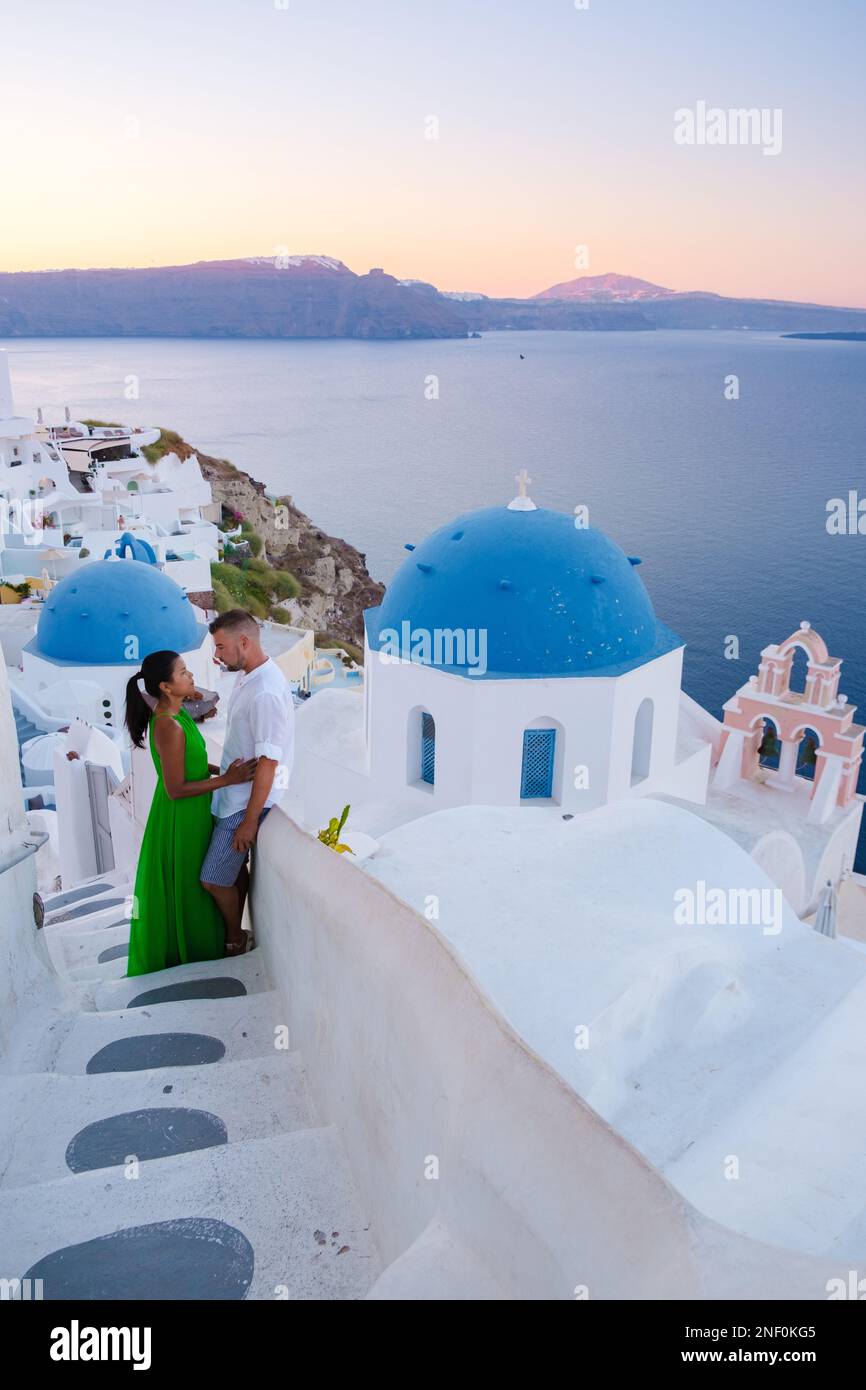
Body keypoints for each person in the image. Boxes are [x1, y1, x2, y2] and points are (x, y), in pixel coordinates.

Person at [124, 650, 257, 977]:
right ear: (166, 687)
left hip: (194, 813)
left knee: (218, 875)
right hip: (179, 818)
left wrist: (222, 770)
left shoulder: (178, 713)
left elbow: (192, 765)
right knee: (192, 884)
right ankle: (212, 945)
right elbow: (176, 788)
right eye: (183, 673)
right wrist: (226, 780)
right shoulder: (167, 725)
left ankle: (225, 938)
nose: (191, 676)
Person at [201, 610, 295, 954]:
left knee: (212, 879)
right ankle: (238, 929)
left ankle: (235, 936)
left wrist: (251, 821)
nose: (217, 655)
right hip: (231, 796)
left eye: (221, 647)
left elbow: (269, 763)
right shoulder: (248, 676)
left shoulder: (267, 691)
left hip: (243, 807)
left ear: (244, 642)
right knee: (233, 871)